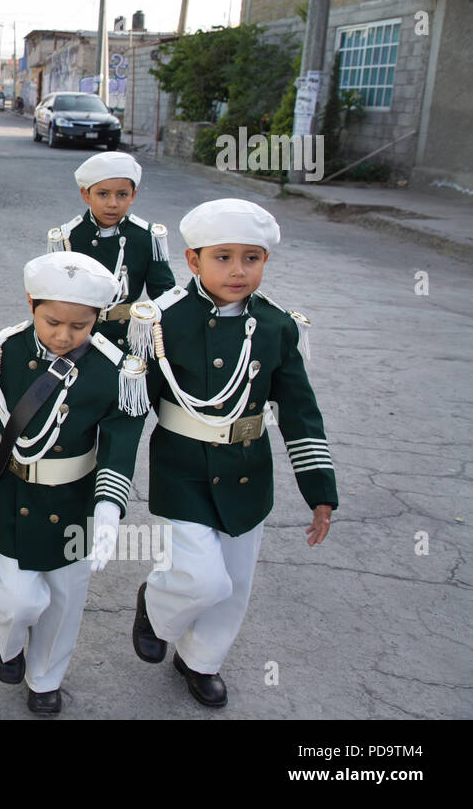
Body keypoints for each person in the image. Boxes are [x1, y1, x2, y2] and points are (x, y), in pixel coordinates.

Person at [128, 198, 337, 707]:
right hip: (183, 468)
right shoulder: (161, 322)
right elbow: (131, 403)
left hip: (248, 470)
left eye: (252, 257)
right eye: (222, 257)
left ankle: (201, 660)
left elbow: (300, 413)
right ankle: (156, 607)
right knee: (201, 577)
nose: (238, 270)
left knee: (235, 580)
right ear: (193, 260)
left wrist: (320, 491)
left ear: (266, 261)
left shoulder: (278, 327)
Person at [0, 252, 149, 715]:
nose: (64, 335)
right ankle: (9, 640)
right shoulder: (3, 349)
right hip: (14, 491)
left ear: (98, 318)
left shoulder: (115, 369)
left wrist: (108, 508)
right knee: (18, 599)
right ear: (30, 303)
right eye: (52, 321)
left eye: (80, 326)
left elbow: (121, 441)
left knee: (64, 599)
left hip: (75, 498)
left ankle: (46, 678)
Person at [47, 151, 176, 352]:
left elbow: (164, 293)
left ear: (133, 195)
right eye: (103, 194)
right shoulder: (68, 238)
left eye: (122, 194)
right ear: (86, 195)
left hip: (128, 337)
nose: (113, 203)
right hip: (78, 336)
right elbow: (53, 296)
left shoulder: (146, 237)